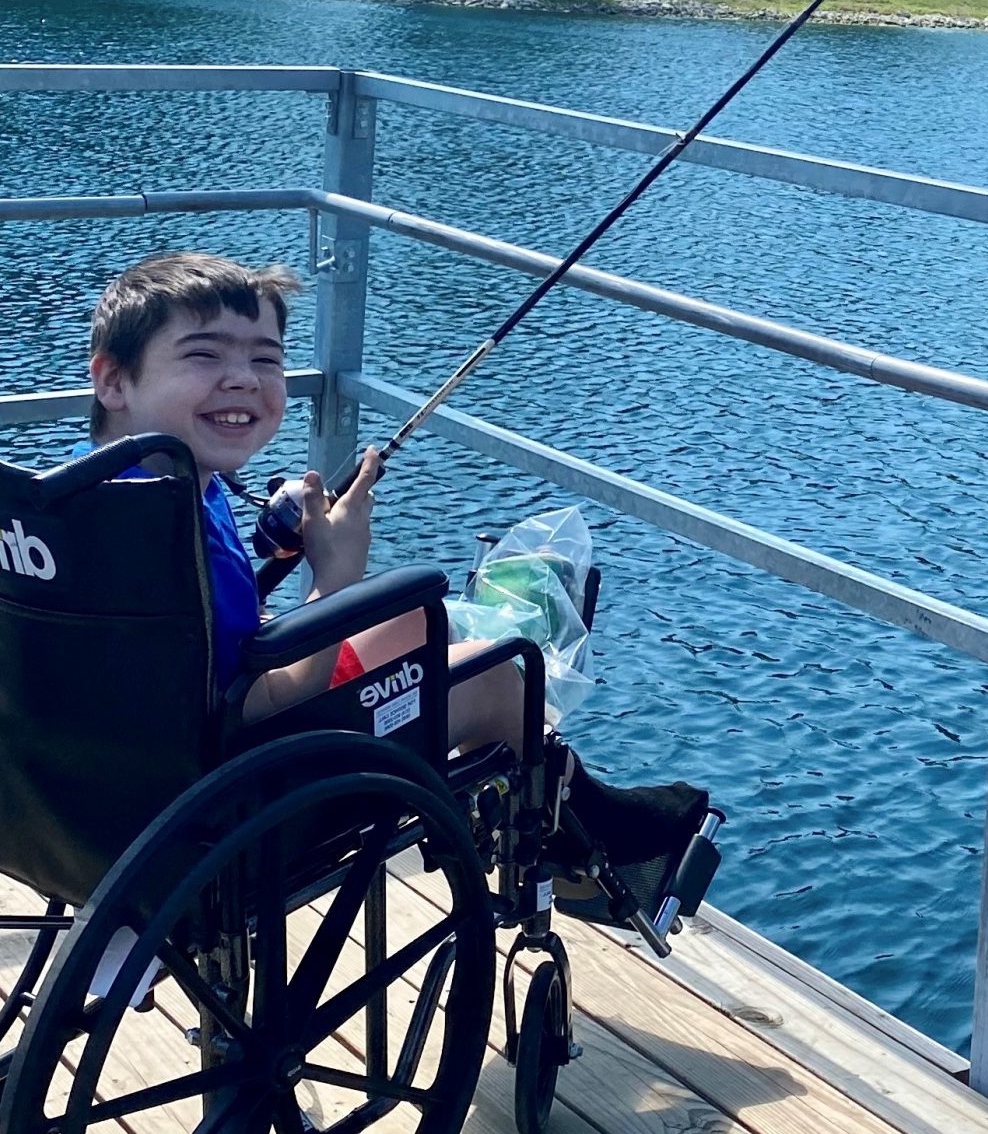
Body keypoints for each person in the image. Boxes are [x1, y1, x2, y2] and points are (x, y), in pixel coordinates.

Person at [84, 251, 704, 893]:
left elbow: (188, 638)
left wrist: (270, 569)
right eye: (204, 355)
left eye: (265, 359)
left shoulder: (86, 501)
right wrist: (334, 576)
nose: (242, 379)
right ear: (114, 381)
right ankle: (588, 832)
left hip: (109, 778)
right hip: (235, 801)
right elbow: (269, 704)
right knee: (492, 667)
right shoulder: (169, 533)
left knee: (414, 622)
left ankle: (561, 806)